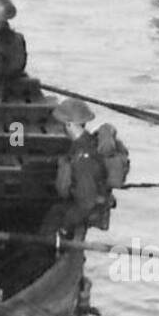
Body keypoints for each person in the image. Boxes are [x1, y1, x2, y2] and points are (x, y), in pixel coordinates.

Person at [45, 99, 124, 236]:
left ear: (69, 124)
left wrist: (65, 226)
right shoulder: (84, 144)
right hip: (82, 207)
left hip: (81, 215)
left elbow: (86, 203)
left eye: (62, 123)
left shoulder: (83, 158)